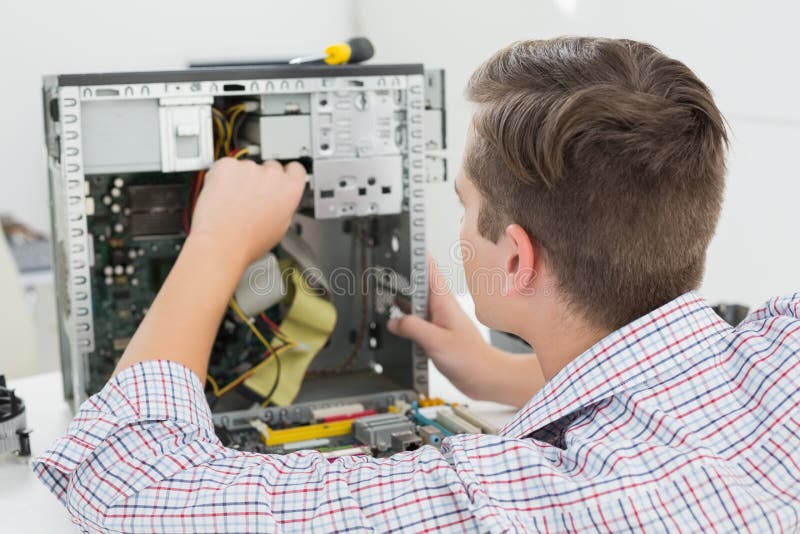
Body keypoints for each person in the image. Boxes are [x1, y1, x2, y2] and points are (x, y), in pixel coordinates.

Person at [35, 38, 799, 532]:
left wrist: (217, 243)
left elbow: (126, 482)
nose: (456, 228)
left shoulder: (508, 506)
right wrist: (505, 372)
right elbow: (683, 383)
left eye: (465, 207)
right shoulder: (782, 344)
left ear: (516, 261)